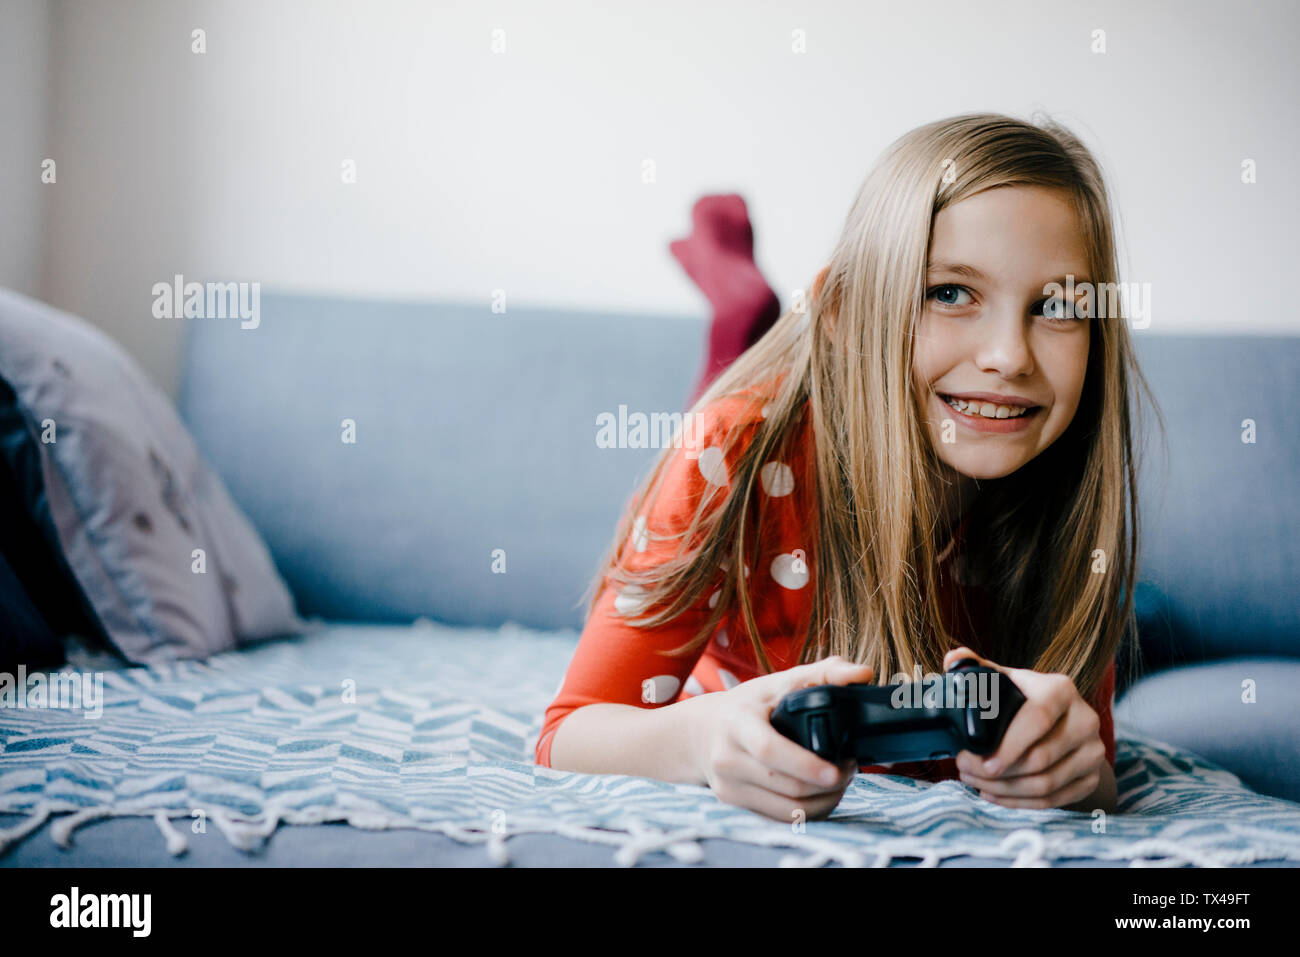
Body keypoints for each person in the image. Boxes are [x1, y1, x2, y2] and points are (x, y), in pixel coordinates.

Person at [535, 112, 1157, 824]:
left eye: (1058, 305)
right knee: (729, 397)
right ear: (843, 311)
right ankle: (740, 303)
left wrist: (1075, 772)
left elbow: (1099, 776)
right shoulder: (733, 449)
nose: (1009, 357)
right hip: (783, 431)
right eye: (950, 292)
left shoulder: (1073, 496)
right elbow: (568, 733)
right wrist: (702, 739)